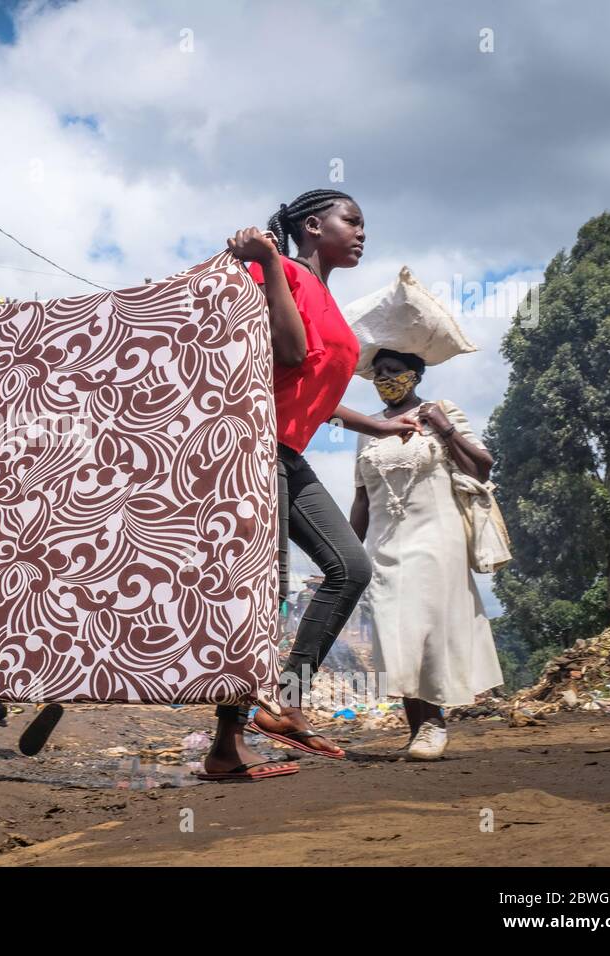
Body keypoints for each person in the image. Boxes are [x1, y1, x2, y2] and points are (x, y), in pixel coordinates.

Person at [201, 190, 421, 781]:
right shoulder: (279, 273)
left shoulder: (322, 295)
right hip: (251, 451)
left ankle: (285, 702)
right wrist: (270, 262)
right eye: (353, 220)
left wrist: (377, 422)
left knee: (349, 568)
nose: (361, 232)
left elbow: (314, 392)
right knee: (261, 597)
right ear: (312, 225)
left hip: (288, 457)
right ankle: (227, 747)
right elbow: (292, 352)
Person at [350, 349, 502, 759]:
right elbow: (362, 499)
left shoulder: (442, 411)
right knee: (392, 629)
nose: (385, 378)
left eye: (394, 371)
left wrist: (445, 430)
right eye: (379, 372)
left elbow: (482, 468)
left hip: (437, 537)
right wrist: (346, 553)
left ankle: (433, 723)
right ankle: (418, 727)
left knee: (424, 627)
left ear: (415, 375)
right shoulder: (369, 429)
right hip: (384, 544)